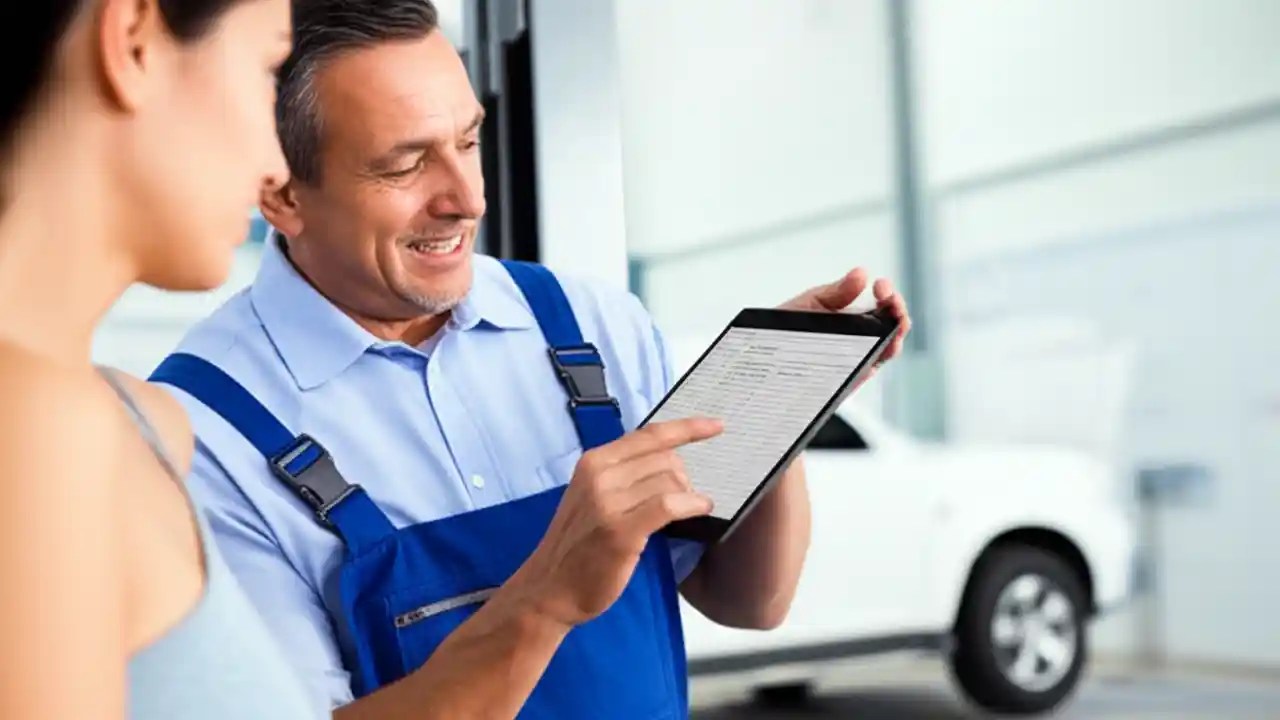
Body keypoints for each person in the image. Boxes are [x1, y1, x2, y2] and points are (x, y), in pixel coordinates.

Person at [153, 0, 912, 718]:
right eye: (405, 164)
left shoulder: (590, 322)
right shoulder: (199, 438)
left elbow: (750, 600)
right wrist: (549, 592)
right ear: (283, 194)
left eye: (468, 141)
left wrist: (773, 401)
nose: (465, 199)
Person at [0, 0, 325, 717]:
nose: (276, 167)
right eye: (270, 68)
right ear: (135, 42)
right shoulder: (28, 425)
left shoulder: (141, 422)